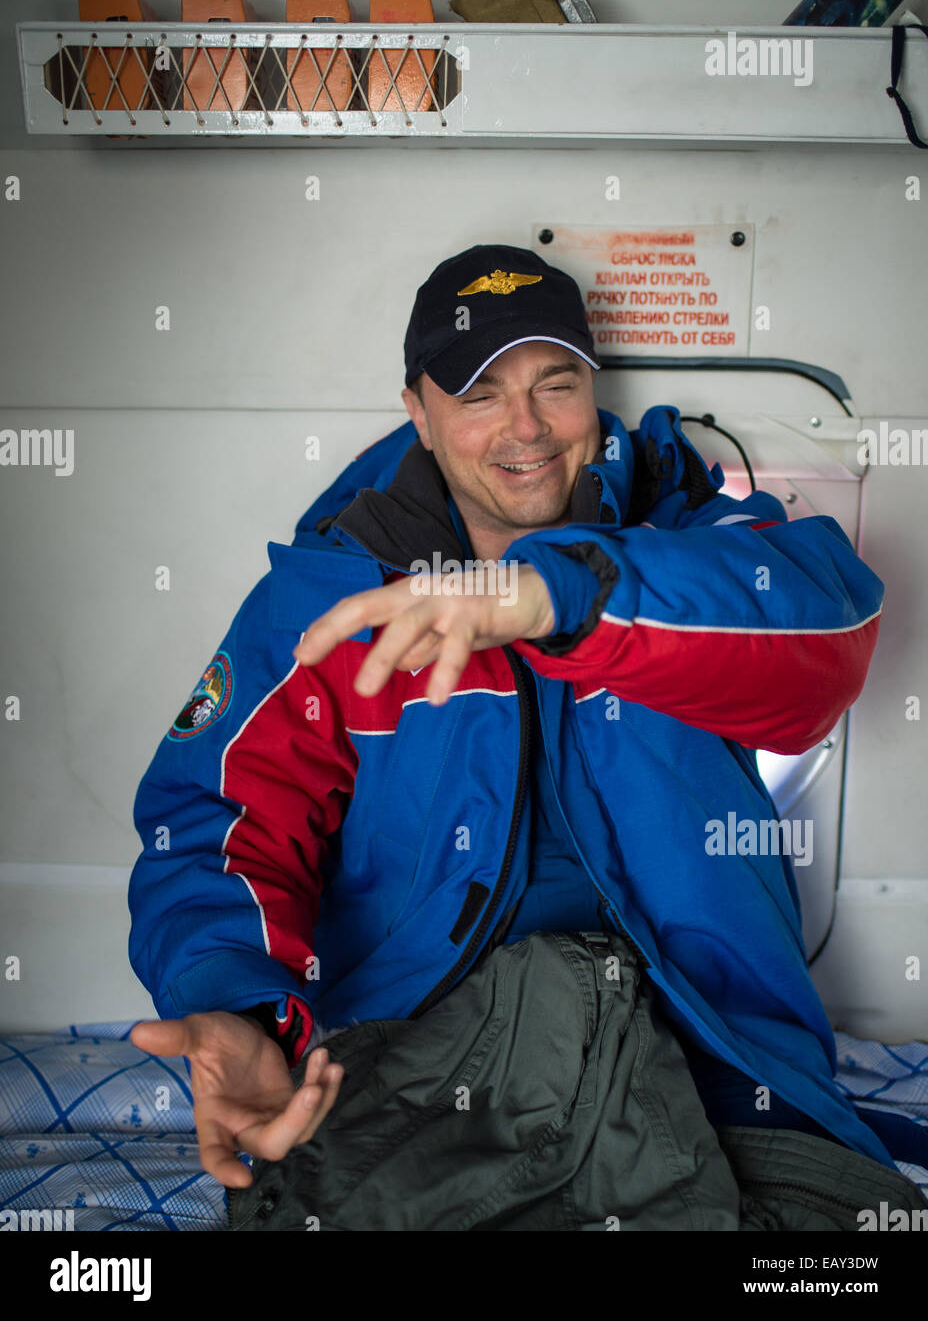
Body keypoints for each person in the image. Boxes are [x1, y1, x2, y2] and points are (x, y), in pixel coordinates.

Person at [129, 243, 927, 1230]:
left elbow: (829, 631)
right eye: (478, 392)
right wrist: (239, 1003)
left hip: (719, 1059)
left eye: (556, 384)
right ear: (417, 411)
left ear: (593, 395)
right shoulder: (328, 600)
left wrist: (564, 593)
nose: (526, 428)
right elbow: (214, 823)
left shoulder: (689, 531)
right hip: (437, 1072)